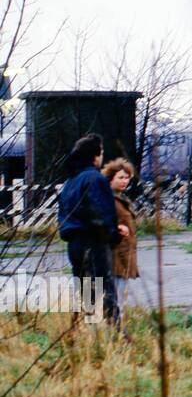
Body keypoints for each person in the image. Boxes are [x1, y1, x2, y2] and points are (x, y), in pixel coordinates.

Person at [57, 134, 123, 326]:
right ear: (95, 156)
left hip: (74, 244)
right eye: (101, 153)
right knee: (104, 288)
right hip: (93, 243)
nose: (102, 157)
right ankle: (113, 332)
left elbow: (67, 213)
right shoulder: (95, 179)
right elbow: (99, 214)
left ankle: (90, 330)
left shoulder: (71, 181)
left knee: (86, 290)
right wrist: (114, 234)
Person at [102, 158, 139, 312]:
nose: (125, 181)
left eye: (127, 178)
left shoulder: (121, 199)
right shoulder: (108, 199)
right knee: (116, 298)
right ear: (111, 178)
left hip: (124, 255)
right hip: (115, 255)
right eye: (120, 177)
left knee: (120, 296)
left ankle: (115, 329)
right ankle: (115, 330)